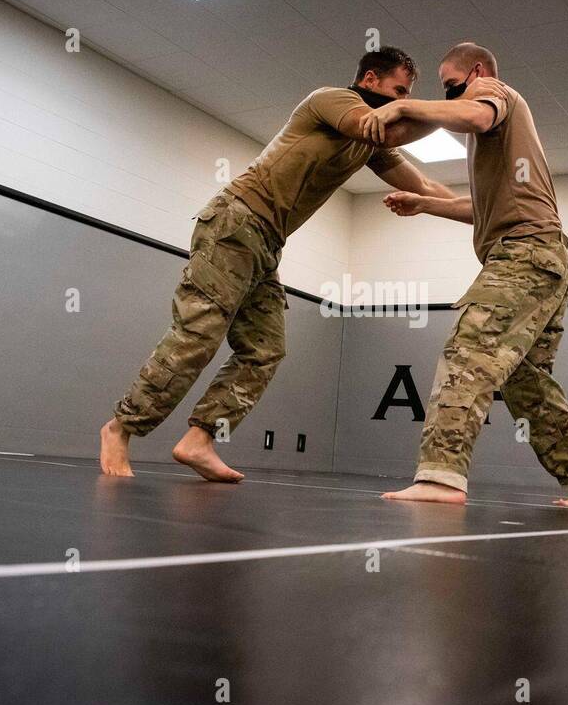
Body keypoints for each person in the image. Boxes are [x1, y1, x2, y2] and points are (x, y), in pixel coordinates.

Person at [99, 47, 473, 481]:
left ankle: (199, 440)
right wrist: (461, 109)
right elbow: (385, 131)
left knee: (264, 350)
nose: (400, 101)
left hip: (267, 242)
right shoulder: (332, 101)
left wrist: (482, 213)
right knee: (198, 335)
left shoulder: (367, 145)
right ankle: (120, 428)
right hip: (235, 221)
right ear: (369, 80)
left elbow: (422, 183)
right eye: (397, 91)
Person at [362, 42, 568, 507]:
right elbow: (480, 209)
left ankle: (440, 478)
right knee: (526, 379)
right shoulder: (496, 147)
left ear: (476, 72)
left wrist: (401, 104)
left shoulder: (496, 95)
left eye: (452, 85)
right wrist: (425, 204)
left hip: (524, 255)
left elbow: (476, 115)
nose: (450, 96)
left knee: (469, 350)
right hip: (546, 260)